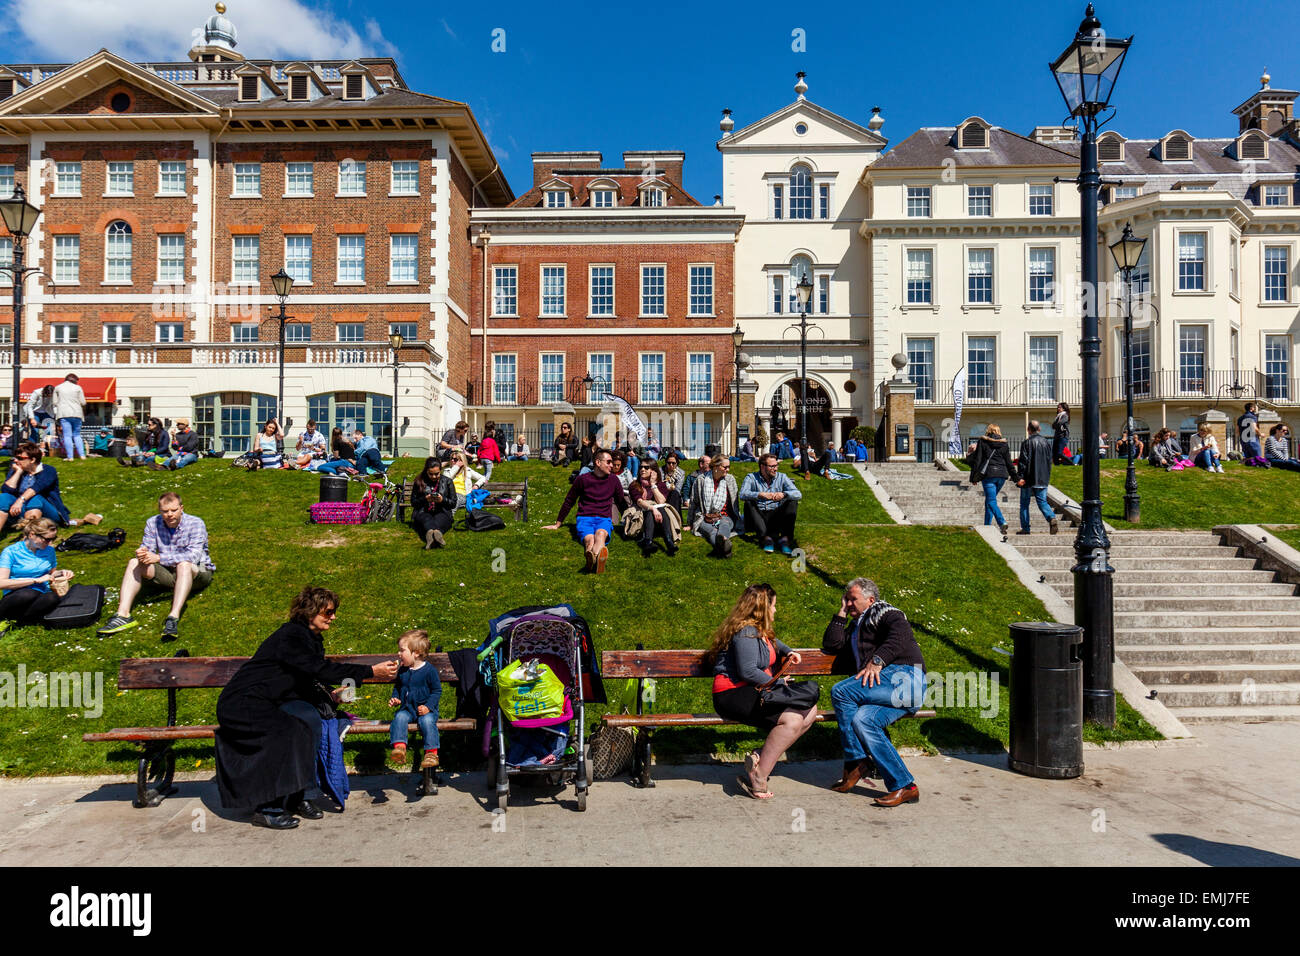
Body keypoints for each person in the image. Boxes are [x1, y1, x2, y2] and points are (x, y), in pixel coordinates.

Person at [215, 586, 399, 828]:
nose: (334, 617)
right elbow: (319, 669)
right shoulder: (291, 636)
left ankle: (299, 795)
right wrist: (370, 672)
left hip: (269, 701)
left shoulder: (309, 638)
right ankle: (267, 809)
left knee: (305, 725)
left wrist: (330, 695)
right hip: (242, 704)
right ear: (310, 612)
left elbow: (305, 675)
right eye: (328, 612)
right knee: (284, 734)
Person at [707, 583, 818, 799]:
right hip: (732, 693)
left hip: (752, 690)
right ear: (761, 608)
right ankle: (758, 776)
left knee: (810, 711)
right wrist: (778, 683)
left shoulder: (758, 631)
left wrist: (789, 651)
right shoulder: (746, 633)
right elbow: (747, 671)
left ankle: (760, 756)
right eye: (773, 606)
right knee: (793, 720)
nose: (776, 610)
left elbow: (775, 643)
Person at [823, 578, 926, 807]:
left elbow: (901, 634)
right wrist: (841, 612)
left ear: (870, 600)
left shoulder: (884, 611)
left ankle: (856, 762)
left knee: (841, 692)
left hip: (905, 679)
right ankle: (905, 786)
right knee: (863, 720)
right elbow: (831, 645)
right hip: (896, 691)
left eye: (853, 599)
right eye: (846, 599)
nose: (849, 603)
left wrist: (878, 661)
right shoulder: (857, 626)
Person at [97, 492, 214, 641]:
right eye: (165, 511)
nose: (169, 515)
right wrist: (143, 553)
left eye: (174, 510)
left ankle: (173, 617)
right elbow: (148, 548)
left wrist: (159, 557)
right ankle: (123, 614)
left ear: (181, 508)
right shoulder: (152, 523)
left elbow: (194, 556)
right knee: (134, 562)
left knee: (184, 564)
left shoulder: (196, 523)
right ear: (160, 511)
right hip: (170, 570)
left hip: (199, 569)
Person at [545, 448, 629, 573]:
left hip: (604, 518)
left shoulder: (613, 480)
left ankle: (592, 561)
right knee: (589, 540)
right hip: (585, 518)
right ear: (598, 462)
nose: (612, 465)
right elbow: (569, 501)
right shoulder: (582, 479)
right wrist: (558, 523)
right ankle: (595, 560)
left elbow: (621, 502)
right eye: (609, 462)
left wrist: (628, 522)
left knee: (600, 535)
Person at [0, 442, 100, 534]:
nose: (15, 461)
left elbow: (37, 488)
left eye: (20, 458)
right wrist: (18, 472)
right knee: (4, 497)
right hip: (21, 509)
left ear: (32, 459)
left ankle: (29, 538)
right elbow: (6, 490)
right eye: (15, 458)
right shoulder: (18, 469)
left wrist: (20, 500)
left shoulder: (48, 470)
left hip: (47, 512)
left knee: (35, 498)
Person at [0, 515, 73, 636]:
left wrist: (61, 572)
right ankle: (6, 617)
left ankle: (18, 622)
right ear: (32, 535)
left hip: (41, 594)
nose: (50, 543)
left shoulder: (49, 550)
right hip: (17, 595)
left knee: (52, 598)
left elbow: (51, 574)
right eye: (47, 539)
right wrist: (35, 581)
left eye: (53, 539)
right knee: (28, 593)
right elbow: (1, 583)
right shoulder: (11, 552)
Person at [387, 628, 442, 770]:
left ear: (416, 653)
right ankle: (400, 748)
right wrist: (396, 698)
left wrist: (428, 707)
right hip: (408, 709)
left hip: (427, 710)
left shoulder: (429, 671)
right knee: (399, 717)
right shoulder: (403, 670)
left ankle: (431, 753)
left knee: (427, 721)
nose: (399, 654)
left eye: (402, 650)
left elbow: (436, 691)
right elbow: (398, 688)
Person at [739, 453, 802, 554]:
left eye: (776, 465)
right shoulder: (751, 477)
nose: (776, 469)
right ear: (762, 466)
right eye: (772, 466)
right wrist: (760, 495)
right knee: (749, 502)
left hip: (775, 515)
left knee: (792, 501)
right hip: (758, 516)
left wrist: (784, 494)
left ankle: (785, 539)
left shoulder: (782, 477)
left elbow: (798, 494)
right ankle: (765, 538)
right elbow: (742, 494)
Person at [966, 423, 1017, 535]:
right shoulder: (1004, 444)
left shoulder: (983, 442)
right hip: (1002, 476)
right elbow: (1009, 462)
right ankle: (987, 525)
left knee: (991, 500)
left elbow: (978, 460)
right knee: (989, 500)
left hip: (989, 475)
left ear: (988, 431)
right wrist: (1016, 477)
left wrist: (973, 477)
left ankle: (1001, 521)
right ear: (998, 432)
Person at [1015, 421, 1059, 535]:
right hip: (1043, 477)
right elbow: (1049, 461)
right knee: (1042, 501)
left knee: (1024, 504)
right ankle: (1051, 517)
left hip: (1028, 478)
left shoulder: (1027, 443)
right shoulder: (1046, 443)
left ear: (1028, 429)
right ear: (1039, 429)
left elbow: (1023, 462)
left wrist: (1020, 477)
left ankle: (1025, 528)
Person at [692, 456, 741, 557]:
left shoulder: (730, 479)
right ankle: (725, 548)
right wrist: (689, 523)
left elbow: (735, 502)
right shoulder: (701, 480)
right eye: (725, 467)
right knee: (712, 530)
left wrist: (737, 517)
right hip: (705, 517)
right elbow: (694, 501)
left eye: (728, 467)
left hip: (725, 516)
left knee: (724, 523)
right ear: (715, 467)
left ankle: (721, 544)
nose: (728, 469)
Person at [629, 463, 677, 557]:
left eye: (646, 467)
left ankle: (667, 540)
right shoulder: (634, 485)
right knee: (651, 509)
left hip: (660, 517)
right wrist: (653, 509)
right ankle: (650, 541)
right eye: (640, 467)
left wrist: (653, 485)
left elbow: (661, 501)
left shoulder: (661, 485)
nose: (642, 469)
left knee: (660, 507)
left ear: (654, 471)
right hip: (641, 513)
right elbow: (639, 502)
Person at [410, 456, 456, 549]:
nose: (434, 477)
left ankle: (433, 534)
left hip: (442, 511)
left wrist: (442, 500)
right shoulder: (419, 481)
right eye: (431, 474)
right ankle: (434, 533)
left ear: (440, 470)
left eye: (437, 474)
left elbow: (453, 503)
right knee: (426, 519)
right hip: (424, 511)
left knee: (441, 519)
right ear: (426, 471)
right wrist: (425, 499)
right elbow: (413, 502)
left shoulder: (447, 481)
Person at [53, 373, 88, 461]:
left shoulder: (58, 387)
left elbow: (54, 402)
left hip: (64, 413)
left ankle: (70, 457)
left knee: (67, 436)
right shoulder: (78, 388)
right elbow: (83, 402)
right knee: (77, 435)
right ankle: (82, 455)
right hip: (77, 413)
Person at [1238, 402, 1267, 466]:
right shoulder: (1252, 416)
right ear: (1251, 408)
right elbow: (1254, 427)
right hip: (1252, 438)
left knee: (1248, 457)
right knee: (1257, 457)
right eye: (1255, 407)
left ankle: (1244, 464)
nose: (1256, 409)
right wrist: (1260, 434)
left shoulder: (1240, 418)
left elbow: (1238, 430)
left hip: (1243, 439)